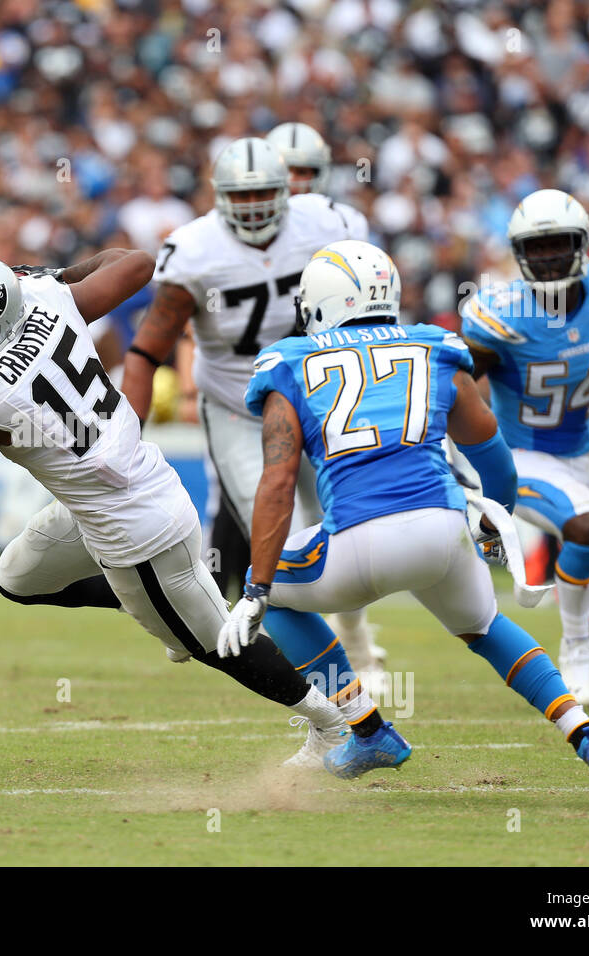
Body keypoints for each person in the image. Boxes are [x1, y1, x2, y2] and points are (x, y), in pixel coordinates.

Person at [0, 251, 381, 764]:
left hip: (137, 531)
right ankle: (158, 609)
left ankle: (335, 725)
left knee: (220, 646)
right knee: (17, 579)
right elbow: (138, 263)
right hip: (106, 500)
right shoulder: (49, 302)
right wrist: (54, 275)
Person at [220, 239, 589, 799]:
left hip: (357, 541)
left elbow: (276, 483)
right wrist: (498, 521)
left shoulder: (289, 361)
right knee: (488, 629)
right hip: (443, 530)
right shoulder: (433, 346)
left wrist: (255, 585)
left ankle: (367, 729)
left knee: (274, 603)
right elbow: (493, 452)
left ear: (320, 302)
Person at [119, 136, 388, 695]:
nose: (253, 206)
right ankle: (337, 690)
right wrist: (125, 437)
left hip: (319, 393)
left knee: (345, 526)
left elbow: (376, 307)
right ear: (217, 198)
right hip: (239, 405)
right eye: (240, 196)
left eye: (265, 191)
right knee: (279, 545)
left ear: (288, 188)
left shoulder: (328, 223)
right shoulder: (195, 250)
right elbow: (147, 350)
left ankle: (357, 645)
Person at [461, 189, 589, 706]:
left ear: (583, 244)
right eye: (537, 247)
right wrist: (461, 458)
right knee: (587, 526)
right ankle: (575, 651)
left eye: (559, 243)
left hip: (583, 445)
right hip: (522, 452)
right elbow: (460, 386)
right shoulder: (500, 312)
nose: (549, 256)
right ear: (519, 253)